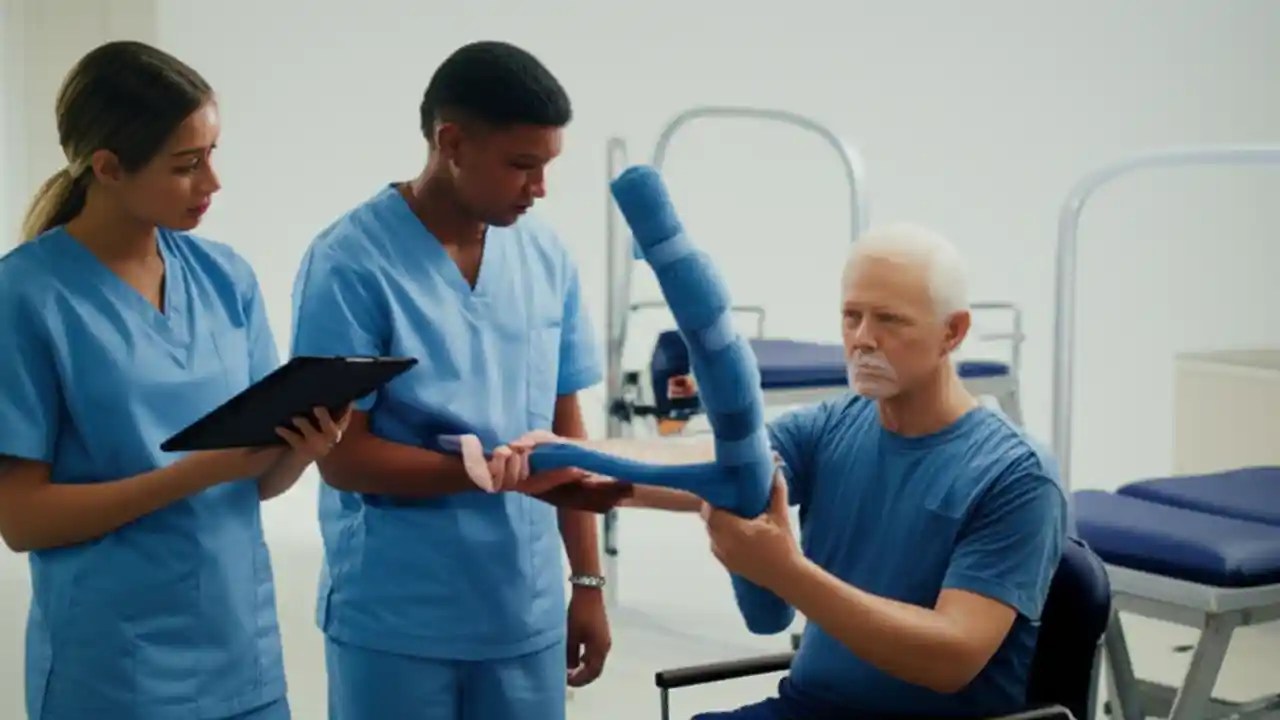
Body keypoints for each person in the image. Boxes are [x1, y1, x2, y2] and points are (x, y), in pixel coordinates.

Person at [490, 224, 1070, 719]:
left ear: (953, 332)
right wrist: (582, 465)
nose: (863, 339)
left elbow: (950, 657)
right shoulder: (836, 424)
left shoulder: (1014, 477)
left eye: (890, 320)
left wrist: (785, 573)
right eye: (852, 316)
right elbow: (718, 466)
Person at [0, 41, 346, 720]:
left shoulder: (225, 278)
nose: (212, 184)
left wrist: (302, 448)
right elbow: (20, 519)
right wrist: (192, 474)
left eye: (213, 155)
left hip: (241, 658)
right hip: (114, 671)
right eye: (187, 165)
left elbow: (255, 478)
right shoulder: (27, 296)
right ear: (108, 167)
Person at [289, 40, 624, 720]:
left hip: (521, 615)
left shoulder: (543, 255)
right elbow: (342, 456)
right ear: (452, 143)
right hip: (399, 621)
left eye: (547, 166)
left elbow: (567, 432)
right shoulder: (350, 264)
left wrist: (587, 581)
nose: (539, 188)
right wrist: (483, 475)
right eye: (521, 166)